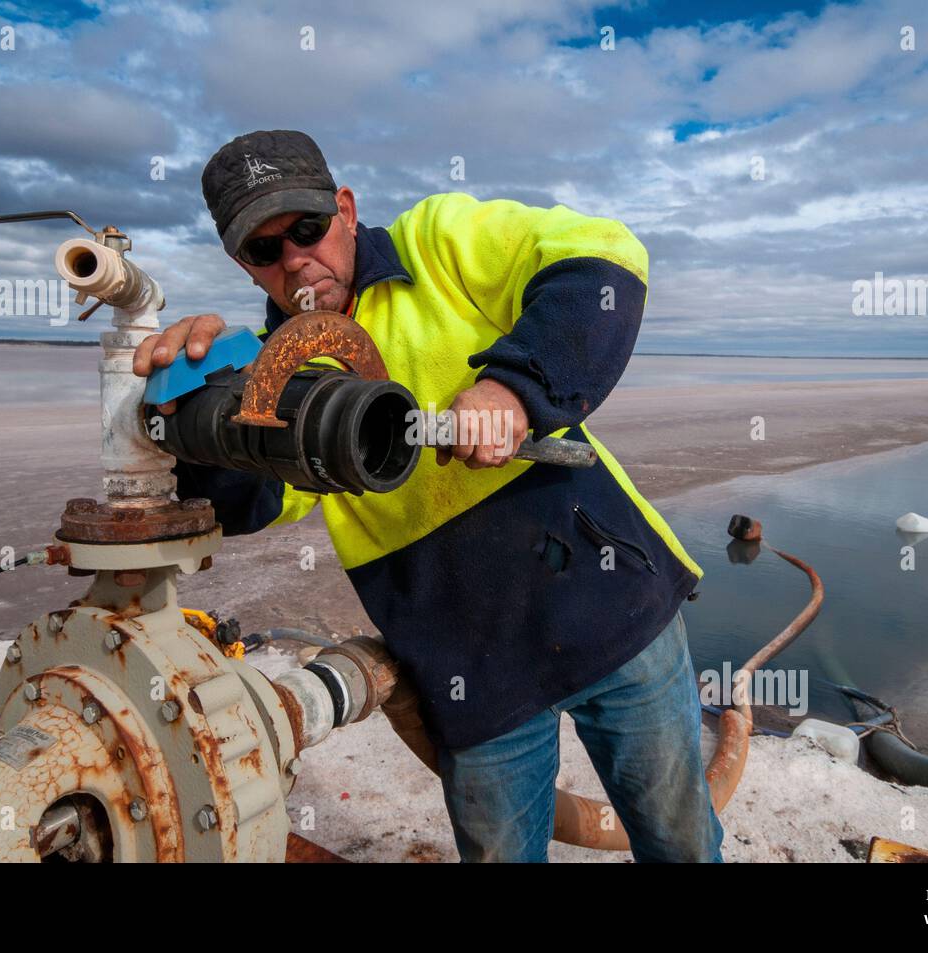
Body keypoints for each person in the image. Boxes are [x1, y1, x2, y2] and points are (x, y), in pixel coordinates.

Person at [133, 129, 723, 863]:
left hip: (613, 616)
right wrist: (193, 407)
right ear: (241, 264)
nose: (294, 259)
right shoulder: (271, 380)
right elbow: (251, 503)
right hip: (469, 669)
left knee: (682, 842)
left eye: (307, 229)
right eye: (263, 248)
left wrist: (514, 387)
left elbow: (605, 257)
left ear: (345, 209)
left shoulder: (440, 242)